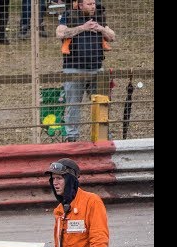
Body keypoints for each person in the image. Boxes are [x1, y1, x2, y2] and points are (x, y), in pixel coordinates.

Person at [57, 0, 115, 142]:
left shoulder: (99, 16)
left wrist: (100, 28)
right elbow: (60, 34)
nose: (93, 6)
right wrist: (83, 27)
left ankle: (103, 136)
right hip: (74, 69)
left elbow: (112, 36)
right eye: (89, 4)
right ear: (80, 5)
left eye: (94, 3)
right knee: (73, 105)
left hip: (97, 69)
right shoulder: (69, 15)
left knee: (101, 103)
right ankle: (71, 137)